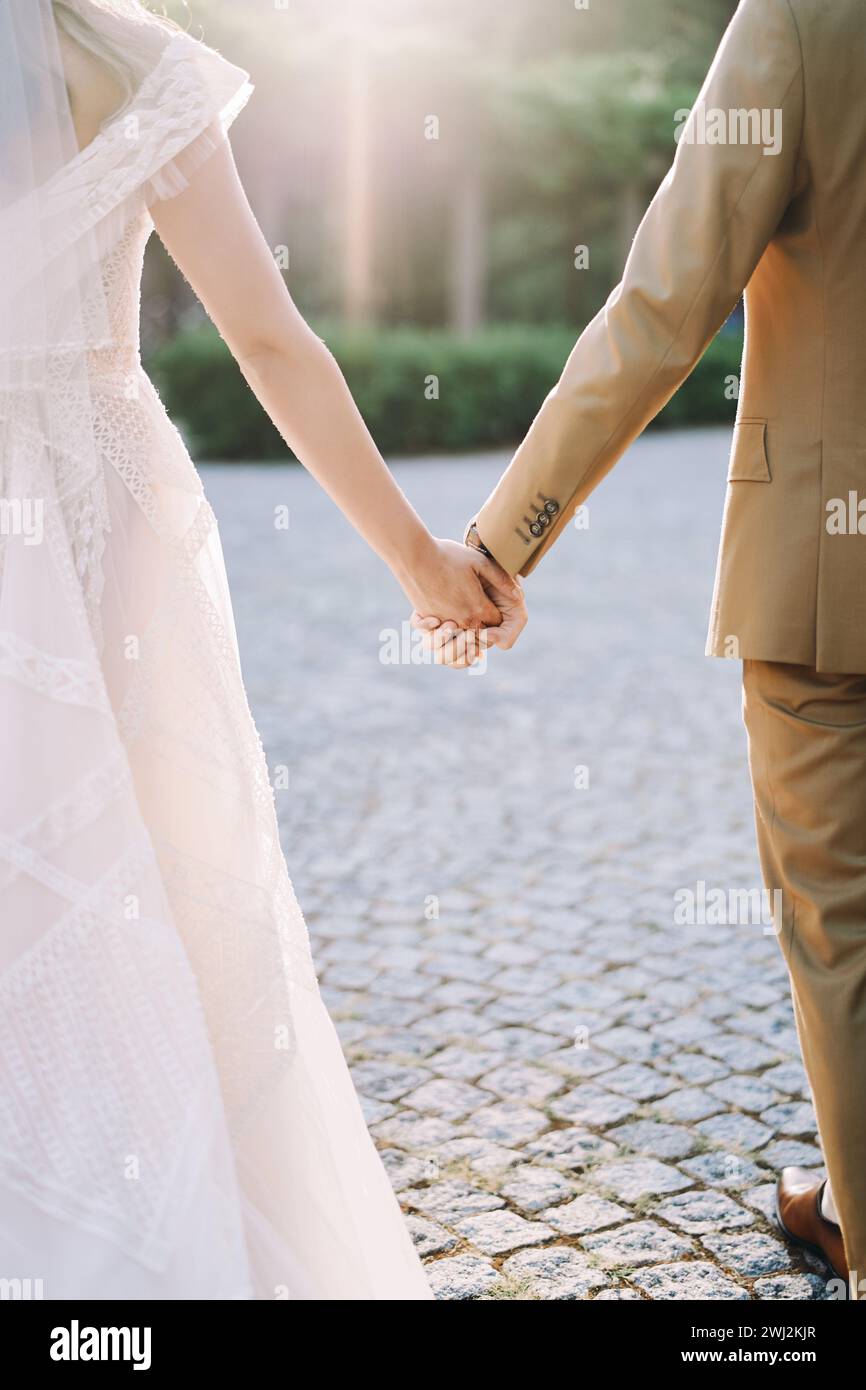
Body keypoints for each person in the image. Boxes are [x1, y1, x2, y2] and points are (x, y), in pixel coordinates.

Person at [0, 0, 526, 1299]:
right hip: (94, 524)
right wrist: (421, 561)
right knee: (145, 892)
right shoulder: (135, 70)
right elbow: (268, 340)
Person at [422, 0, 866, 1297]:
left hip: (827, 586)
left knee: (840, 928)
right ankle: (838, 1189)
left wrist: (501, 541)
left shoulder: (799, 18)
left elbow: (664, 302)